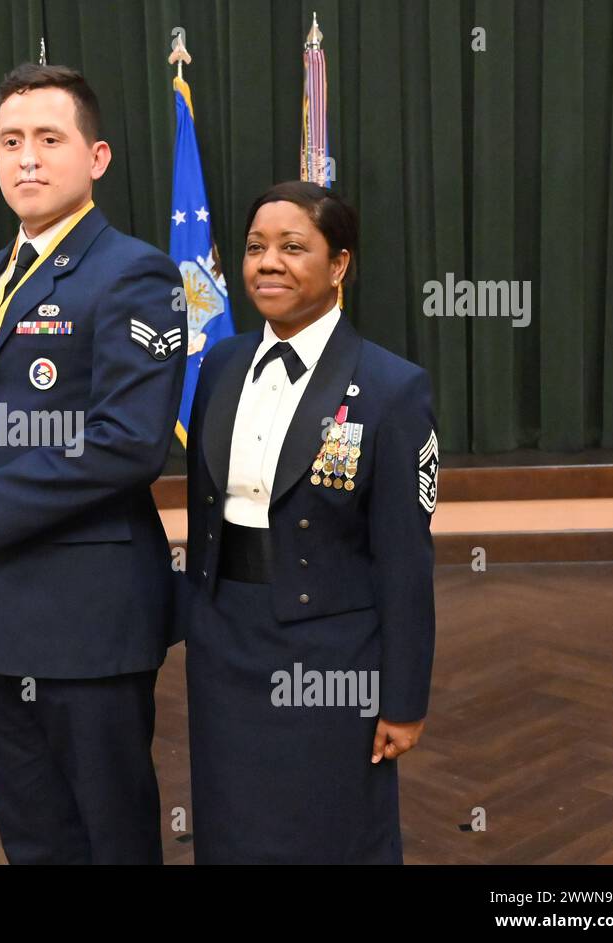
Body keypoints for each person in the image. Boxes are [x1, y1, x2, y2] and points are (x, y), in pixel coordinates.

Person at [0, 63, 186, 864]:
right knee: (32, 835)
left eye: (48, 140)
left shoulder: (137, 272)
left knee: (110, 834)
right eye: (10, 140)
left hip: (89, 609)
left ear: (97, 158)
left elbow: (130, 440)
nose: (26, 158)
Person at [182, 180, 437, 863]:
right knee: (231, 825)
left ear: (339, 264)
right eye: (256, 247)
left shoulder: (391, 387)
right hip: (223, 639)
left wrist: (404, 696)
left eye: (294, 247)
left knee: (331, 828)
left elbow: (405, 557)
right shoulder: (220, 364)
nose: (269, 262)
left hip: (329, 656)